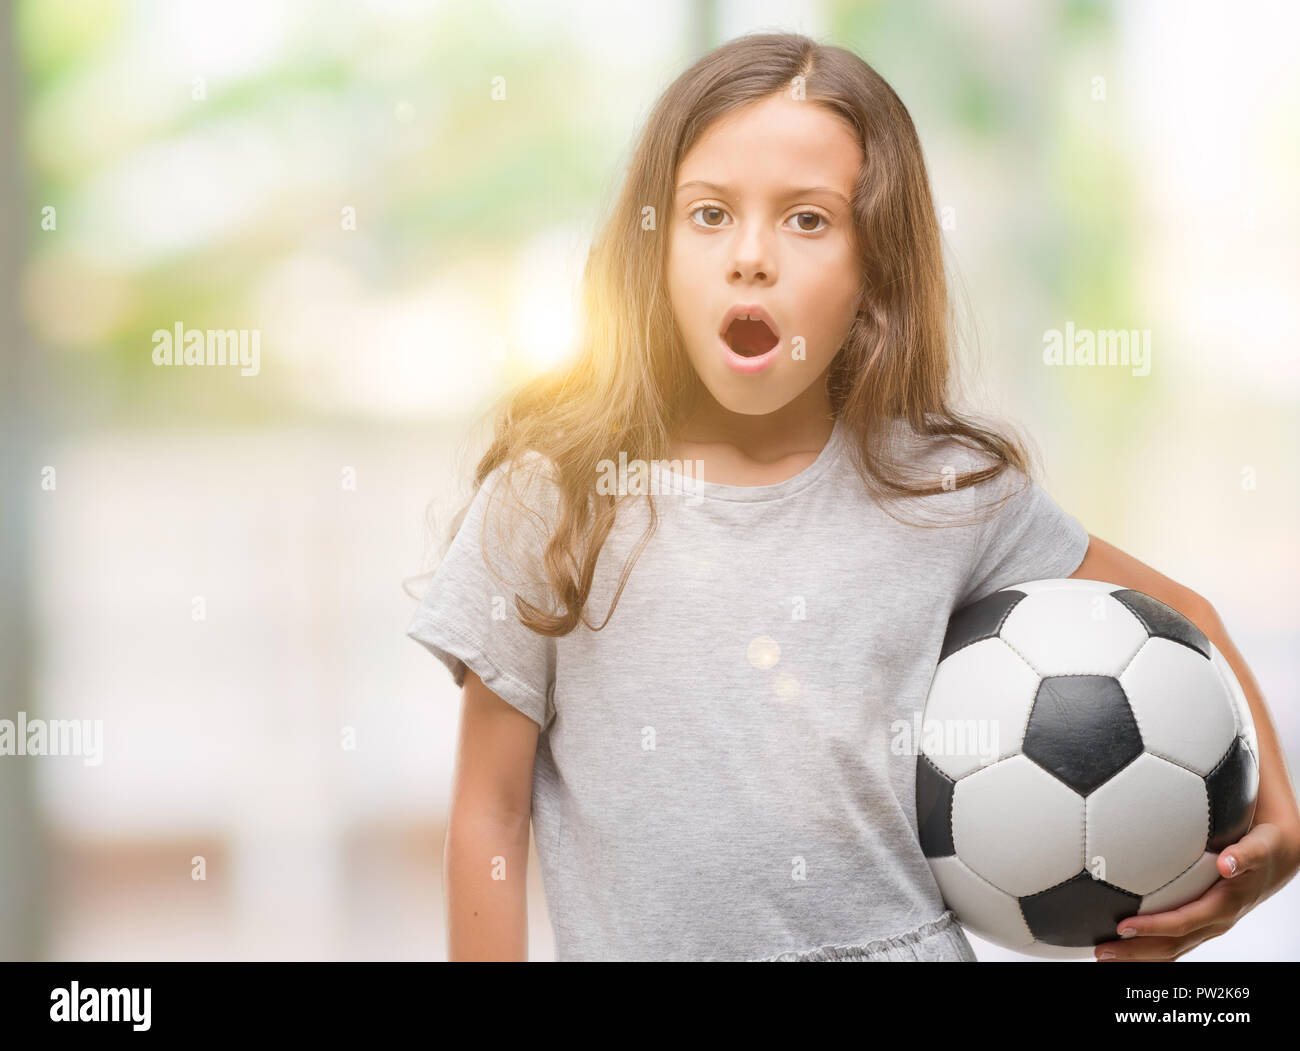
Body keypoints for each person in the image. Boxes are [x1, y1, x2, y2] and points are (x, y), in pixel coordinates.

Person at [406, 32, 1300, 962]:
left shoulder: (943, 488)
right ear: (652, 248)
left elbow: (1184, 614)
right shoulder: (555, 501)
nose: (752, 257)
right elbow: (488, 816)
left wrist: (1279, 840)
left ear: (874, 267)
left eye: (808, 220)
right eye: (709, 214)